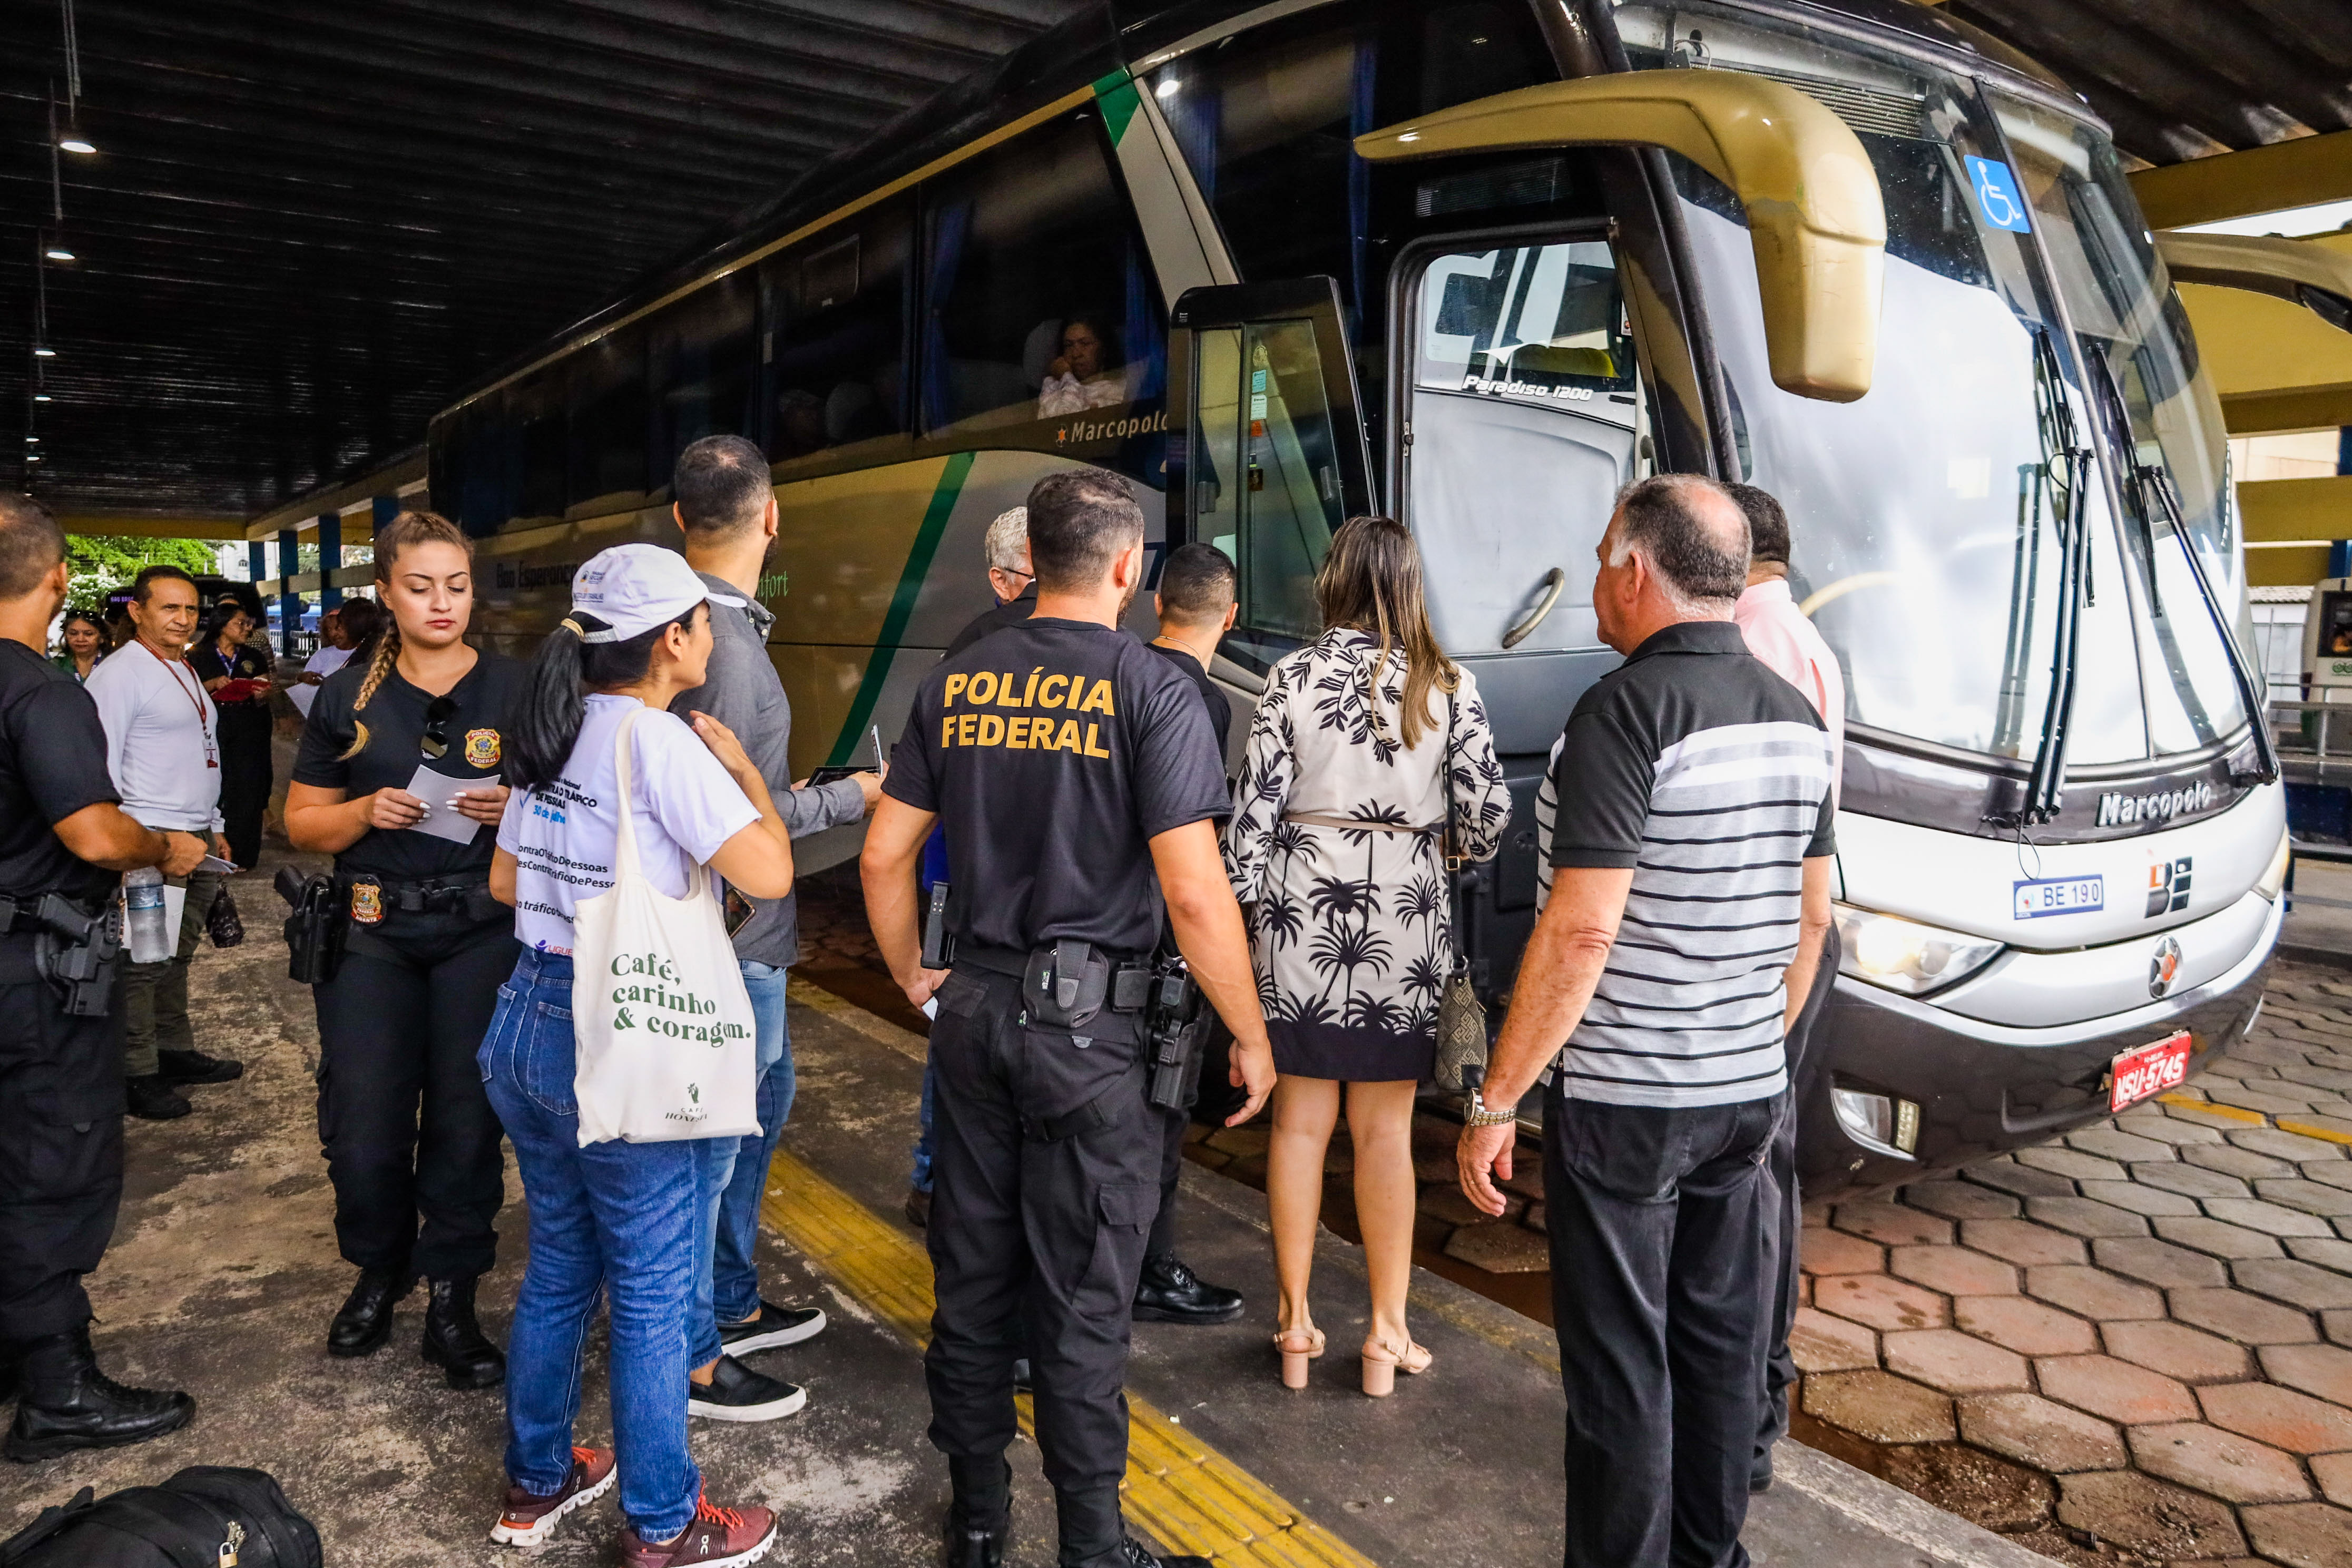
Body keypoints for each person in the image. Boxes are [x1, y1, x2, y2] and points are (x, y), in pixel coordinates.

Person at [860, 468, 1277, 1568]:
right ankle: (1094, 1545)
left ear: (1032, 559)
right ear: (1131, 569)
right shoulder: (1154, 689)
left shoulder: (958, 680)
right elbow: (1194, 892)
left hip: (977, 1016)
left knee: (975, 1279)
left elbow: (884, 851)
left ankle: (979, 1522)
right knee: (1085, 1298)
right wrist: (1251, 1031)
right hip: (1098, 1042)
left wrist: (917, 977)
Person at [1458, 474, 1835, 1568]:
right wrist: (1754, 1045)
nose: (1593, 583)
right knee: (1720, 1346)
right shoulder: (1796, 714)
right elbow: (1815, 921)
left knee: (1623, 1365)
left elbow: (1581, 931)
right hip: (1744, 1095)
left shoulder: (1624, 712)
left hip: (1627, 1101)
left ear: (1634, 568)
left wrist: (1498, 1099)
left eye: (1598, 558)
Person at [483, 543, 792, 1563]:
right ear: (672, 640)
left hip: (526, 1020)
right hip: (619, 1034)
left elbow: (503, 884)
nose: (712, 634)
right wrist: (744, 773)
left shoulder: (551, 728)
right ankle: (664, 1524)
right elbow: (771, 874)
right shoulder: (661, 745)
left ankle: (536, 1484)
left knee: (562, 1265)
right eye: (703, 620)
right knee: (657, 1292)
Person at [1223, 517, 1507, 1397]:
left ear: (1332, 582)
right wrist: (1434, 849)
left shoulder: (1289, 677)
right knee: (1383, 1133)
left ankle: (1296, 1325)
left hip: (1301, 921)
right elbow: (1487, 816)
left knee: (1299, 1126)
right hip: (1402, 924)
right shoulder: (1446, 683)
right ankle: (1386, 1334)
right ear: (1410, 586)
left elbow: (1249, 827)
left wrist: (1248, 913)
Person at [667, 434, 882, 1413]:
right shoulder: (715, 646)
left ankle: (732, 1298)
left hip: (748, 939)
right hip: (728, 943)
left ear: (680, 519)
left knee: (757, 1116)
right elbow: (719, 821)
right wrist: (846, 800)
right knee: (713, 1147)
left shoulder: (707, 632)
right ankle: (695, 1353)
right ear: (773, 517)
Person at [283, 512, 522, 1385]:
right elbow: (302, 822)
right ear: (386, 593)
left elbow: (574, 810)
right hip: (372, 931)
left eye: (455, 586)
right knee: (366, 1128)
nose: (441, 603)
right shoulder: (346, 694)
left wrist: (517, 813)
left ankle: (453, 1295)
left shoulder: (516, 688)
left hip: (480, 930)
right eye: (420, 586)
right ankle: (379, 1270)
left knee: (466, 1122)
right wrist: (362, 813)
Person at [0, 496, 205, 1460]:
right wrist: (161, 845)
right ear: (55, 585)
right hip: (32, 975)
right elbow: (91, 829)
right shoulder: (41, 694)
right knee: (54, 1164)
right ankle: (58, 1391)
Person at [1724, 481, 1847, 1493]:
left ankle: (1749, 1406)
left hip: (1766, 945)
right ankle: (1757, 1385)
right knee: (1770, 1170)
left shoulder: (1751, 643)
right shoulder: (1800, 636)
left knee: (1752, 1179)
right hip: (1795, 933)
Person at [909, 504, 1038, 1229]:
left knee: (957, 1028)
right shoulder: (989, 650)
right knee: (963, 1031)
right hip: (966, 879)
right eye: (1036, 571)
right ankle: (937, 1178)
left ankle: (935, 1182)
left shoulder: (965, 651)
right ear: (1002, 579)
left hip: (954, 878)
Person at [1128, 542, 1245, 1328]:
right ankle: (1150, 1268)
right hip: (1162, 941)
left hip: (1099, 936)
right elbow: (1192, 855)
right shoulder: (1205, 705)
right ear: (1230, 619)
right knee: (1161, 1115)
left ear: (1156, 602)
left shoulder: (1122, 674)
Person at [85, 565, 243, 1121]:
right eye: (170, 608)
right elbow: (99, 768)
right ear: (138, 612)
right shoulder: (120, 674)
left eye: (192, 610)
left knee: (177, 954)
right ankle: (137, 1072)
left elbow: (202, 752)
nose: (183, 619)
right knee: (143, 959)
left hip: (195, 835)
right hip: (153, 842)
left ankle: (173, 1050)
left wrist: (215, 823)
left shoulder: (181, 667)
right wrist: (139, 842)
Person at [189, 600, 274, 872]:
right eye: (240, 623)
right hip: (213, 728)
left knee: (247, 790)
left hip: (248, 728)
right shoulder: (198, 656)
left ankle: (244, 856)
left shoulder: (252, 656)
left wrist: (262, 692)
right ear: (221, 626)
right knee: (216, 788)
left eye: (249, 624)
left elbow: (265, 689)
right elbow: (187, 694)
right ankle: (212, 852)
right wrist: (211, 685)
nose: (247, 629)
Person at [1036, 315, 1129, 417]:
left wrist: (1067, 378)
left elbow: (1072, 423)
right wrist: (1066, 378)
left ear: (1104, 350)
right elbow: (1057, 427)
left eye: (1085, 344)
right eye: (1069, 345)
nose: (1076, 354)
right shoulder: (1054, 386)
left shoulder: (1119, 391)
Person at [290, 606, 354, 719]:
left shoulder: (364, 652)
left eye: (338, 628)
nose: (334, 634)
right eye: (329, 630)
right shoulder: (322, 656)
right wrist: (302, 677)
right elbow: (303, 684)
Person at [52, 610, 105, 685]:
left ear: (102, 638)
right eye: (73, 634)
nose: (80, 639)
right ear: (66, 636)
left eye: (88, 634)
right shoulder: (55, 667)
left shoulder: (112, 665)